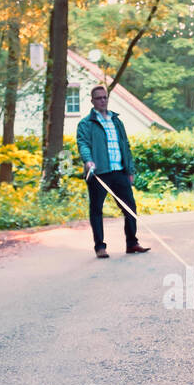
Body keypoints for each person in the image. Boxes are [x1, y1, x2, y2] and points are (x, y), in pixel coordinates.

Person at [76, 84, 151, 258]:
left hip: (119, 171)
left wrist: (130, 169)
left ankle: (132, 243)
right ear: (92, 101)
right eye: (99, 98)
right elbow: (83, 144)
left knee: (130, 207)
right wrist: (88, 161)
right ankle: (100, 247)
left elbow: (125, 146)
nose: (102, 100)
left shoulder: (117, 121)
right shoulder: (86, 123)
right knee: (96, 210)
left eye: (105, 97)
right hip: (99, 173)